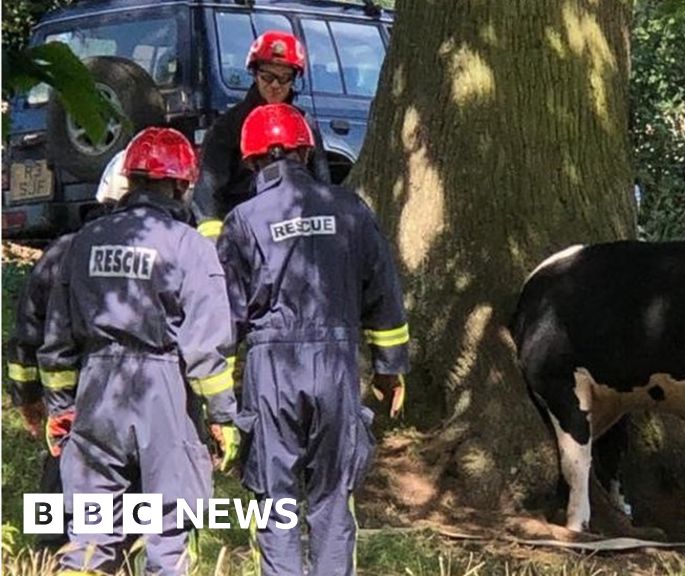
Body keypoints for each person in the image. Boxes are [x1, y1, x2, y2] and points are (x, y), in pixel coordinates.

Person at [217, 103, 408, 576]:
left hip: (271, 371)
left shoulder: (242, 220)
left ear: (251, 160)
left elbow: (226, 317)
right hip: (337, 365)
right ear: (306, 153)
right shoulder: (350, 208)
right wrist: (389, 367)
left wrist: (218, 398)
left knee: (275, 501)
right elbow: (383, 292)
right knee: (333, 495)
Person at [38, 128, 239, 576]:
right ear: (182, 185)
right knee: (167, 533)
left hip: (96, 393)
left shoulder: (85, 241)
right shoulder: (189, 246)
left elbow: (57, 338)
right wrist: (223, 417)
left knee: (88, 536)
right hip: (162, 392)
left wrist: (60, 407)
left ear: (130, 180)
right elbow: (206, 346)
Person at [4, 151, 129, 551]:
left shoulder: (62, 251)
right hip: (143, 403)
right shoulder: (167, 248)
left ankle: (52, 555)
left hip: (71, 403)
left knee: (61, 486)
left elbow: (27, 335)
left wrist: (27, 399)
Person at [193, 30, 330, 239]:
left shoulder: (305, 124)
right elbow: (207, 193)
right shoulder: (229, 126)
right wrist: (216, 241)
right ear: (255, 74)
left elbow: (322, 184)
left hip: (293, 229)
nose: (275, 85)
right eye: (268, 77)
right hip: (243, 230)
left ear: (294, 79)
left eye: (284, 78)